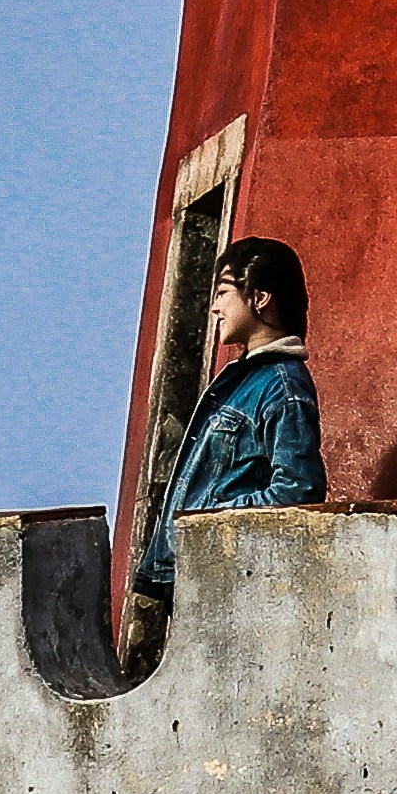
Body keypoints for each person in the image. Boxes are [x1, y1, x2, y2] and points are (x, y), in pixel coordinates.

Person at [124, 238, 323, 669]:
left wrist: (212, 518)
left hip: (232, 581)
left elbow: (299, 490)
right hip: (196, 579)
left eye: (222, 294)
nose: (214, 308)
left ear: (260, 298)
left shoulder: (282, 385)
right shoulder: (242, 380)